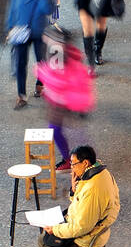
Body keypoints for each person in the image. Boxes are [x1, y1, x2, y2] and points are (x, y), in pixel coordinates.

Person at [35, 145, 121, 247]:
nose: (72, 168)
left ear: (85, 163)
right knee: (42, 239)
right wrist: (74, 189)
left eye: (74, 164)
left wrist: (55, 230)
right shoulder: (99, 173)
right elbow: (82, 206)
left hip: (87, 240)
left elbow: (81, 227)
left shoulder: (93, 188)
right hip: (84, 228)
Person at [35, 23, 96, 171]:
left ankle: (77, 162)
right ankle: (82, 160)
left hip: (61, 98)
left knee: (57, 129)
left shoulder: (55, 50)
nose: (44, 37)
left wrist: (41, 73)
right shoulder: (62, 49)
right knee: (69, 129)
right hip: (67, 96)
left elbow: (58, 78)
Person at [7, 0, 59, 108]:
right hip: (20, 33)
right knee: (20, 63)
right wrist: (9, 28)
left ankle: (39, 85)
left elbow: (48, 10)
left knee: (41, 61)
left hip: (38, 32)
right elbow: (12, 11)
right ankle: (21, 95)